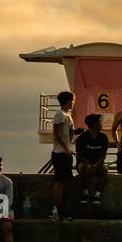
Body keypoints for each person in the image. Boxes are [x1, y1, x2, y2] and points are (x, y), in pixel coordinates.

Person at [49, 91, 76, 221]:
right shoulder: (60, 114)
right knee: (59, 181)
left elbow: (68, 133)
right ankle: (56, 210)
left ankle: (62, 209)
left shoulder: (68, 115)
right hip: (60, 153)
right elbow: (57, 133)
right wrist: (66, 148)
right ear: (67, 101)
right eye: (72, 100)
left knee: (65, 181)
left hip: (66, 152)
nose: (73, 103)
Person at [75, 113, 110, 211]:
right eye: (100, 122)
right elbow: (80, 155)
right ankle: (85, 194)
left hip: (98, 163)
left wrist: (97, 164)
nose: (102, 124)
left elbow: (104, 154)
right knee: (86, 167)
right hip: (84, 163)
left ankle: (97, 195)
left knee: (105, 169)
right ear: (95, 125)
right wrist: (90, 164)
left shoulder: (103, 138)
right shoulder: (82, 138)